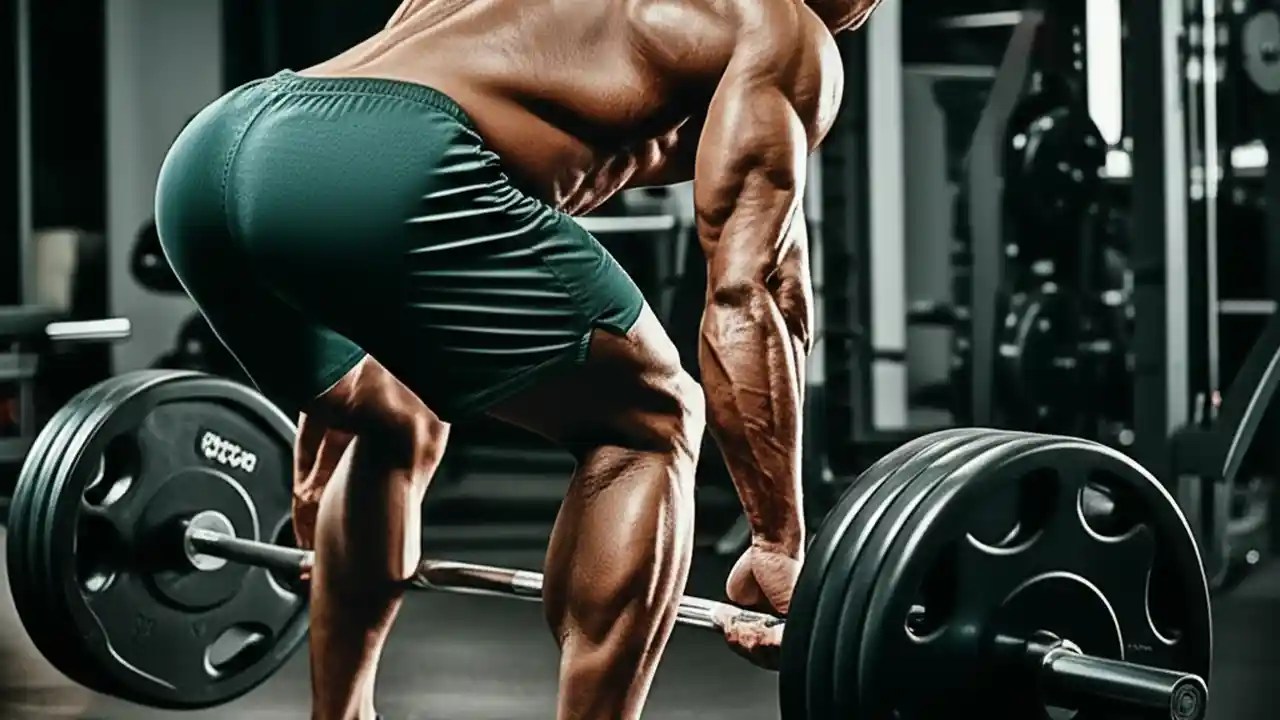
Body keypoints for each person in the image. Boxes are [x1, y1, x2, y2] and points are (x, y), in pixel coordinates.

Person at [155, 0, 881, 717]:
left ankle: (341, 714)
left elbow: (339, 136)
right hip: (392, 161)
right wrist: (779, 542)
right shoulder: (779, 30)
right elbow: (751, 293)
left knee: (393, 415)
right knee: (652, 420)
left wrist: (333, 409)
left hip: (218, 153)